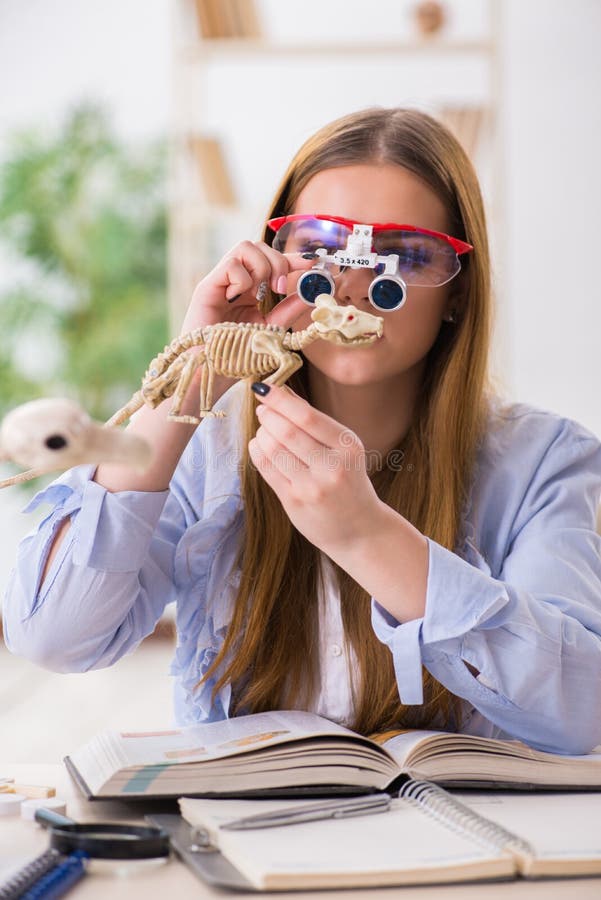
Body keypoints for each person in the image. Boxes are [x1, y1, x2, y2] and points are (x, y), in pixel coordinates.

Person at [3, 108, 601, 755]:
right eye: (320, 248)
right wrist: (193, 370)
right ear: (273, 258)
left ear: (458, 289)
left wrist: (368, 537)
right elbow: (52, 637)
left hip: (466, 840)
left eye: (401, 257)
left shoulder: (544, 460)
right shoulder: (207, 455)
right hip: (245, 844)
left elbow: (583, 711)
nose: (353, 286)